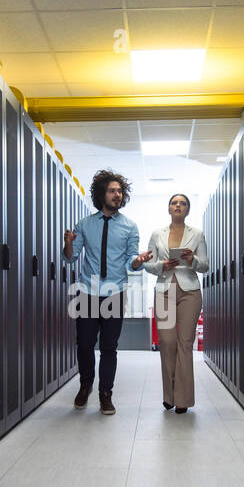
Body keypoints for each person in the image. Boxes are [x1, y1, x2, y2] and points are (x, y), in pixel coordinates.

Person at [63, 170, 148, 415]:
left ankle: (105, 393)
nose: (117, 195)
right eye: (112, 191)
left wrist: (138, 260)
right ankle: (85, 385)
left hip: (115, 291)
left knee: (109, 346)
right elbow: (71, 258)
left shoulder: (129, 226)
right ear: (102, 194)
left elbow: (131, 259)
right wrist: (69, 243)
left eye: (120, 191)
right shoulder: (85, 224)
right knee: (85, 344)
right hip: (88, 292)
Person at [139, 193, 208, 412]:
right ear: (168, 208)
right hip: (164, 290)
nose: (178, 206)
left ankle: (183, 399)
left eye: (183, 203)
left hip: (190, 292)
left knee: (185, 344)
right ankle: (169, 394)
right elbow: (148, 265)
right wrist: (161, 266)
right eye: (174, 203)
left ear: (188, 210)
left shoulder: (197, 234)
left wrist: (192, 260)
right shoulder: (157, 234)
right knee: (167, 343)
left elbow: (205, 266)